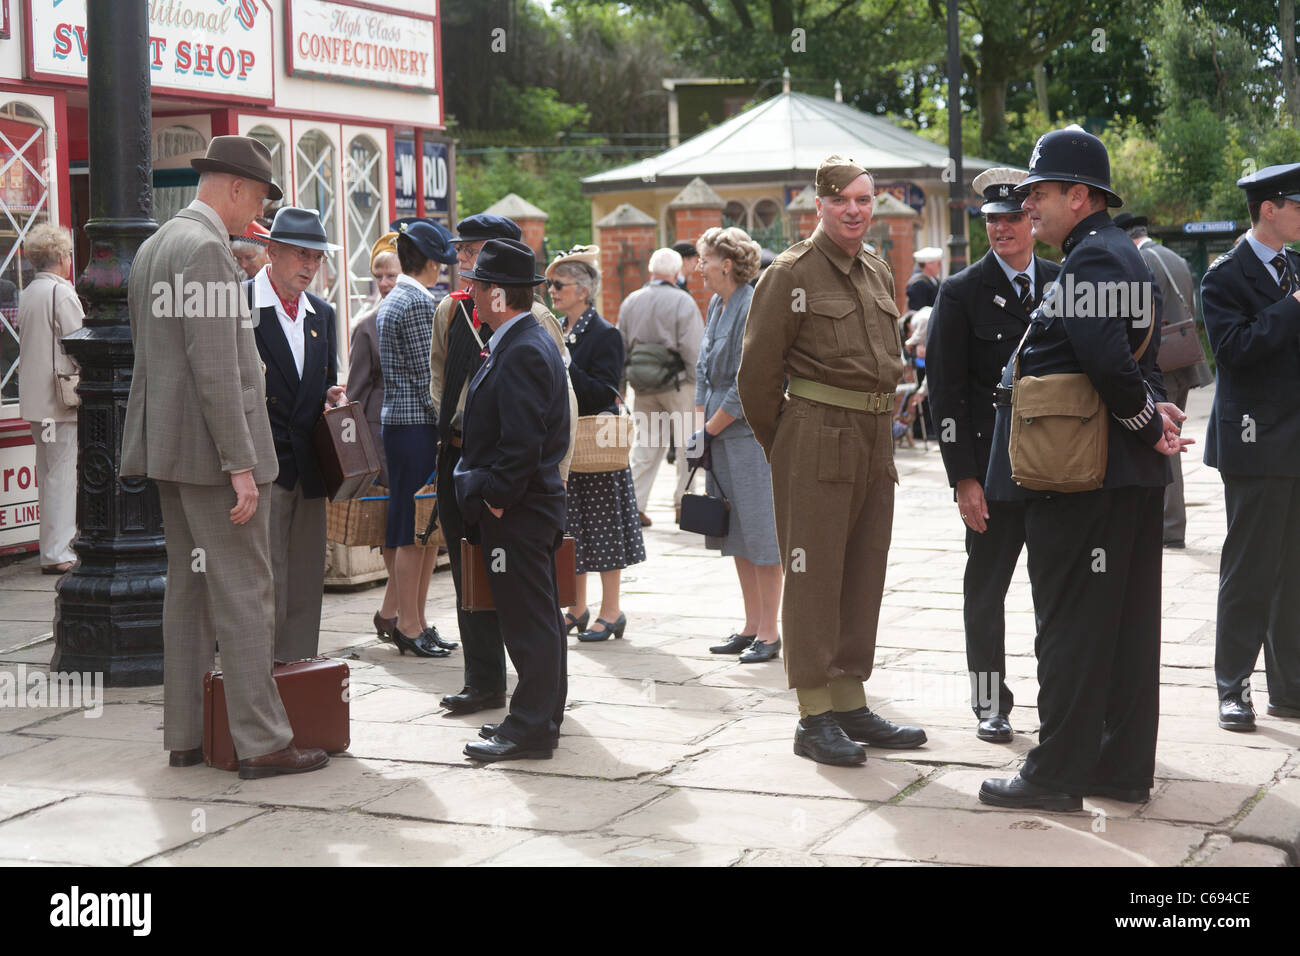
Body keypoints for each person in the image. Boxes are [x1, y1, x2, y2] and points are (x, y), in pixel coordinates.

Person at [978, 127, 1190, 811]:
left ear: (1080, 195)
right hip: (1117, 478)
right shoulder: (1119, 254)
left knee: (1067, 626)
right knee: (1123, 628)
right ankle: (1119, 768)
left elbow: (1105, 359)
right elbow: (1143, 359)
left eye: (1039, 193)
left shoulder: (1092, 261)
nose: (1028, 204)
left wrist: (1141, 417)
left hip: (1082, 477)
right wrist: (1153, 410)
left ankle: (1055, 775)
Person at [120, 135, 328, 778]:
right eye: (259, 198)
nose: (256, 217)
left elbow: (157, 356)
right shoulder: (208, 250)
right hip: (215, 456)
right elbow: (214, 369)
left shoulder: (156, 245)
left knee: (187, 592)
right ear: (236, 187)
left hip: (170, 450)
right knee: (244, 594)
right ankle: (263, 741)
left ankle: (184, 736)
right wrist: (240, 464)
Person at [737, 154, 927, 767]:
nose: (854, 210)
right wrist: (787, 445)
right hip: (816, 434)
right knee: (814, 575)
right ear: (817, 205)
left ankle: (849, 700)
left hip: (874, 434)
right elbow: (757, 377)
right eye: (841, 199)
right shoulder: (789, 274)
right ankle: (813, 715)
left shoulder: (875, 269)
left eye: (864, 200)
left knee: (863, 570)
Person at [925, 167, 1061, 744]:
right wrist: (963, 480)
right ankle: (990, 703)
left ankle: (1061, 703)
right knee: (985, 592)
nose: (1001, 230)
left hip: (1057, 469)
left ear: (1033, 219)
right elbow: (946, 396)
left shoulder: (1063, 282)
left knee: (1059, 595)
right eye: (992, 221)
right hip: (991, 470)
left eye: (1012, 218)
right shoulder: (959, 293)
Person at [430, 213, 577, 715]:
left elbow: (548, 419)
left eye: (473, 259)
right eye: (463, 256)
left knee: (527, 606)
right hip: (466, 464)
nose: (463, 271)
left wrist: (511, 491)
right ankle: (489, 684)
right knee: (475, 582)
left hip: (513, 488)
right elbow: (441, 378)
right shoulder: (457, 315)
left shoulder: (532, 330)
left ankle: (536, 712)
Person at [454, 238, 570, 761]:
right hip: (528, 506)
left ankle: (530, 726)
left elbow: (522, 441)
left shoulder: (522, 346)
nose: (471, 293)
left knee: (528, 621)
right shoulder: (518, 338)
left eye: (478, 285)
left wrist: (498, 498)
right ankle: (539, 719)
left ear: (499, 294)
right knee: (538, 615)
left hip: (519, 509)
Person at [1201, 163, 1300, 731]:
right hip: (1255, 444)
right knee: (1250, 570)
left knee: (1293, 572)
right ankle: (1232, 686)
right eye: (1297, 205)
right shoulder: (1226, 275)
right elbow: (1234, 350)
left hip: (1296, 443)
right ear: (1269, 208)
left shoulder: (1295, 265)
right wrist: (1293, 307)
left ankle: (1288, 687)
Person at [249, 207, 346, 661]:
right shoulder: (240, 306)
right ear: (271, 251)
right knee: (263, 579)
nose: (310, 266)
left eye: (317, 257)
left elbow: (323, 379)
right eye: (300, 255)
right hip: (260, 468)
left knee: (306, 576)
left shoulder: (322, 314)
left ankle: (298, 668)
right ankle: (257, 673)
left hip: (309, 467)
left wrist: (330, 397)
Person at [692, 227, 783, 663]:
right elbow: (703, 368)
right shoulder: (716, 302)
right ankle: (750, 626)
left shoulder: (752, 304)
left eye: (703, 259)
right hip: (715, 433)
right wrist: (700, 424)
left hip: (746, 437)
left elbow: (748, 382)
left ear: (725, 263)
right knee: (735, 533)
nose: (698, 268)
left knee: (761, 535)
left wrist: (708, 429)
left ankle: (770, 632)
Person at [547, 245, 646, 642]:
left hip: (597, 444)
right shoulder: (558, 329)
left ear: (582, 291)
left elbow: (605, 393)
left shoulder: (605, 334)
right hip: (569, 446)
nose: (551, 290)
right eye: (551, 284)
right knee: (572, 530)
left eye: (559, 285)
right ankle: (577, 607)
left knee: (604, 530)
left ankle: (612, 611)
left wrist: (567, 365)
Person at [377, 218, 459, 658]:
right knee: (415, 530)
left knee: (423, 528)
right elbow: (430, 379)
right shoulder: (417, 303)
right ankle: (408, 623)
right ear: (429, 262)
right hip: (415, 427)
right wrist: (451, 425)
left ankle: (417, 620)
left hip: (404, 426)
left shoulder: (400, 297)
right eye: (441, 262)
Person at [1114, 212, 1215, 549]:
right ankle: (1168, 523)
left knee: (1165, 444)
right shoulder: (1174, 257)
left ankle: (1169, 527)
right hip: (1183, 359)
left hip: (1161, 365)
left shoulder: (1139, 261)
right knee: (1170, 441)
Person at [17, 223, 83, 574]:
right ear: (60, 257)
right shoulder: (62, 293)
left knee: (48, 475)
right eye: (69, 254)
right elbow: (79, 344)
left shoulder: (28, 293)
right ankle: (59, 552)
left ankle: (51, 548)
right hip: (59, 402)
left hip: (34, 401)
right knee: (62, 476)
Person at [619, 246, 702, 527]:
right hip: (678, 384)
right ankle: (684, 505)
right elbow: (692, 347)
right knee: (686, 446)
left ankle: (634, 506)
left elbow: (622, 345)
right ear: (677, 272)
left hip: (643, 385)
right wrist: (696, 381)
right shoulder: (683, 301)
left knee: (645, 446)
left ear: (650, 270)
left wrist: (622, 385)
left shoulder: (631, 301)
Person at [349, 231, 401, 639]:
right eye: (379, 276)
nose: (385, 283)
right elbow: (356, 392)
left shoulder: (426, 314)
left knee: (414, 522)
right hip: (380, 434)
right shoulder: (366, 326)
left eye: (392, 274)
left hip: (415, 431)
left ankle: (396, 609)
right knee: (391, 523)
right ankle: (395, 609)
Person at [906, 247, 943, 311]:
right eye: (938, 263)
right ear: (928, 264)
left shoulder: (934, 280)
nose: (940, 266)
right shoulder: (918, 284)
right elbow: (918, 311)